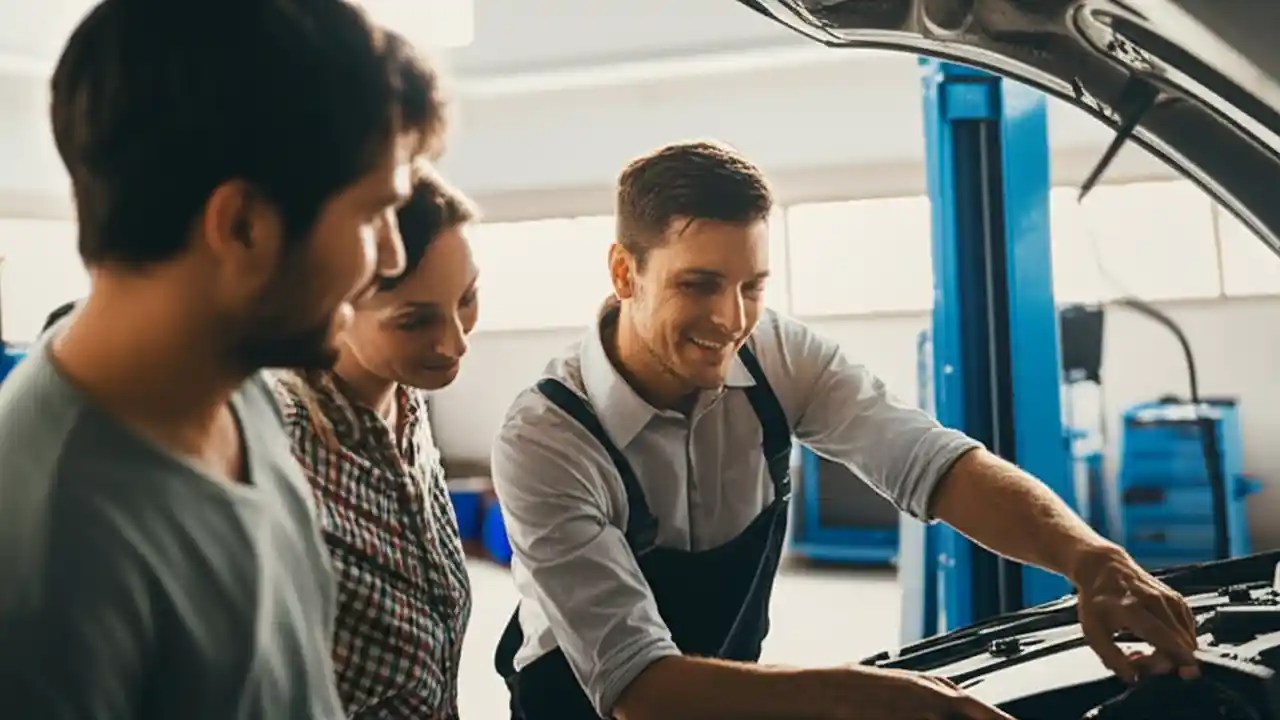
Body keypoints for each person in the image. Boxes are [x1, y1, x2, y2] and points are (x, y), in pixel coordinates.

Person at [490, 140, 1200, 720]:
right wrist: (873, 696)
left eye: (753, 285)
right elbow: (638, 686)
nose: (732, 319)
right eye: (698, 283)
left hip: (725, 703)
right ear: (625, 271)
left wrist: (1089, 558)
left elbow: (928, 461)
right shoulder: (546, 440)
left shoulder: (776, 357)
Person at [0, 1, 445, 717]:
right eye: (371, 215)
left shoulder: (242, 385)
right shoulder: (47, 558)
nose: (390, 255)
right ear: (242, 226)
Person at [272, 165, 480, 718]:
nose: (455, 342)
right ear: (333, 308)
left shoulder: (408, 409)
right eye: (415, 321)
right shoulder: (281, 453)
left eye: (468, 298)